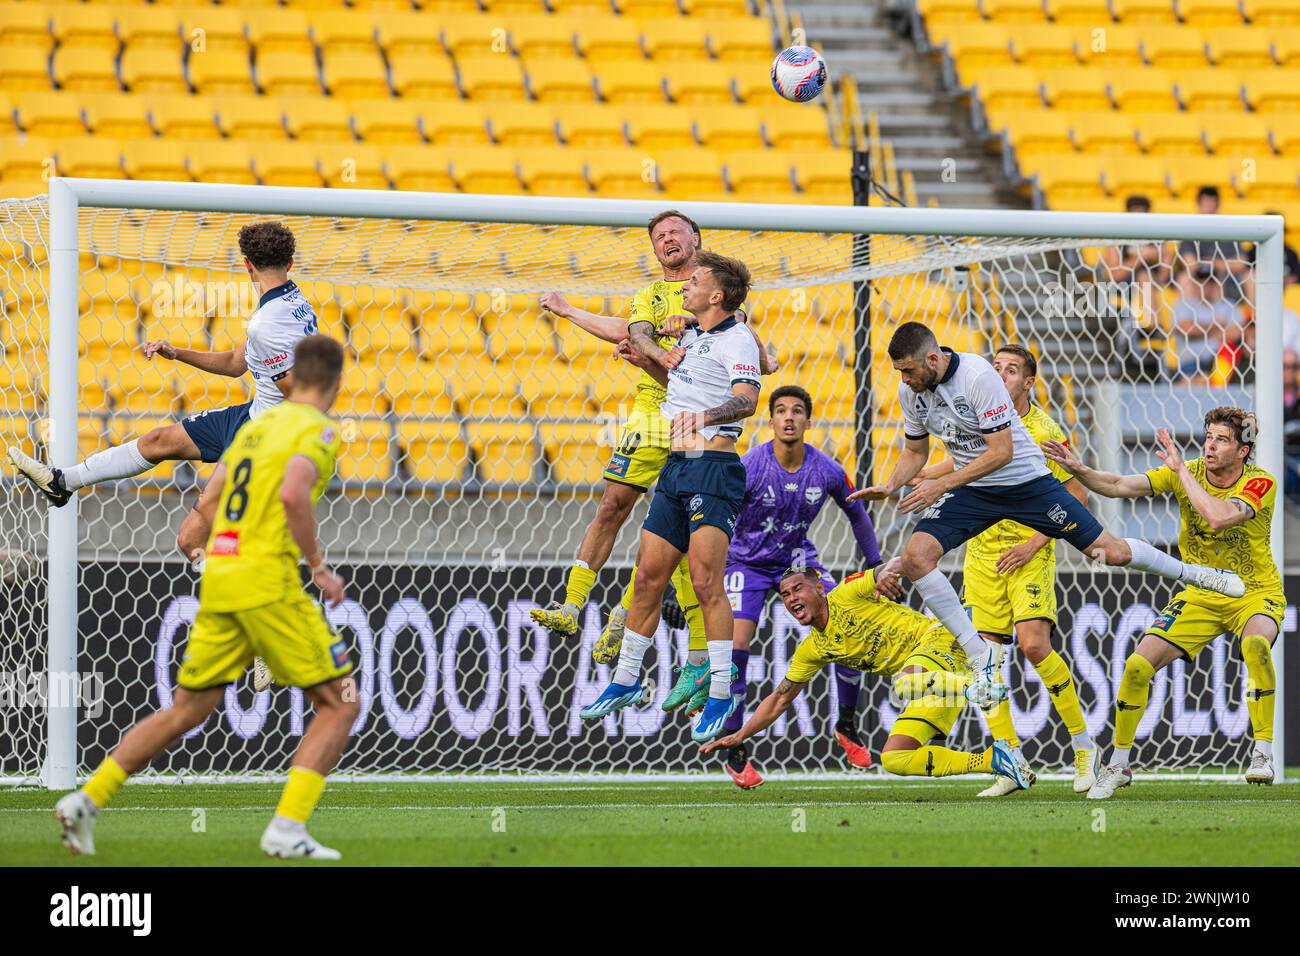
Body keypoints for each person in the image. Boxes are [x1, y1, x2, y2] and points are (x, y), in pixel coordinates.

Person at [53, 335, 358, 858]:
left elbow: (209, 501)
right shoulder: (317, 428)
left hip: (221, 577)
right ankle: (287, 828)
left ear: (293, 374)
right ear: (332, 383)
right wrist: (319, 568)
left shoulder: (254, 433)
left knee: (186, 710)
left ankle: (87, 799)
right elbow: (292, 492)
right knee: (340, 703)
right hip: (269, 581)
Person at [847, 321, 1246, 709]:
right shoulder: (911, 393)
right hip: (976, 491)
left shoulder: (976, 376)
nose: (904, 379)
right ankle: (980, 655)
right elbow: (915, 452)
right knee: (917, 557)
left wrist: (944, 483)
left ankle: (1196, 575)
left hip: (1026, 486)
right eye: (899, 372)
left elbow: (1001, 453)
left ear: (932, 358)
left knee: (1111, 552)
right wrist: (891, 485)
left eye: (909, 371)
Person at [530, 210, 775, 715]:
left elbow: (757, 364)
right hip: (656, 409)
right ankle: (577, 605)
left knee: (694, 558)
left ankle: (696, 664)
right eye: (658, 236)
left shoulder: (720, 310)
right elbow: (633, 332)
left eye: (674, 233)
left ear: (697, 242)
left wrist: (695, 338)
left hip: (701, 438)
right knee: (617, 506)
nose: (666, 240)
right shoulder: (656, 300)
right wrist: (649, 350)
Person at [9, 221, 318, 565]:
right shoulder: (293, 301)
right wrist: (179, 353)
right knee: (159, 440)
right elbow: (235, 363)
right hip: (251, 415)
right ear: (290, 262)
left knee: (191, 540)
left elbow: (299, 397)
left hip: (265, 437)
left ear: (246, 263)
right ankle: (63, 482)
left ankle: (238, 603)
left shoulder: (268, 323)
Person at [1043, 408, 1282, 795]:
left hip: (1254, 591)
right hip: (1201, 594)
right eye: (1209, 437)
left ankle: (1263, 752)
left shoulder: (1260, 484)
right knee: (1137, 667)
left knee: (1255, 645)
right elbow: (1119, 484)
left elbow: (1220, 517)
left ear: (1243, 450)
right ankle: (1118, 764)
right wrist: (1079, 469)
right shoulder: (1184, 469)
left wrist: (1181, 472)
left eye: (1222, 440)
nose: (1210, 446)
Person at [579, 252, 761, 743]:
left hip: (713, 469)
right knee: (646, 579)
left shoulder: (738, 339)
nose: (686, 286)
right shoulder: (692, 338)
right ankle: (624, 681)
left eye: (695, 281)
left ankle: (722, 690)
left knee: (705, 583)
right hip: (677, 468)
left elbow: (747, 399)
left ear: (716, 296)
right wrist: (648, 364)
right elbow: (684, 391)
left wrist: (703, 419)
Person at [915, 345, 1098, 796]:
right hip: (982, 558)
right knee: (987, 663)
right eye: (996, 367)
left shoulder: (1043, 429)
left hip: (1027, 554)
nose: (1000, 374)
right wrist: (918, 478)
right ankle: (1009, 762)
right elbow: (958, 460)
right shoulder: (973, 414)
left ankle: (1083, 748)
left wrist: (1035, 540)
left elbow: (1078, 493)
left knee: (1035, 646)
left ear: (1029, 383)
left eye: (1011, 370)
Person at [699, 564, 1034, 790]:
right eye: (785, 596)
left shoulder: (846, 593)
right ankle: (996, 761)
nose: (791, 600)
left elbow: (900, 562)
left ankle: (981, 684)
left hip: (940, 642)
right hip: (932, 682)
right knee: (896, 758)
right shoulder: (813, 649)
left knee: (904, 683)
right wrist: (741, 734)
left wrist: (892, 571)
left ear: (818, 587)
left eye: (797, 589)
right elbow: (781, 698)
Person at [718, 384, 882, 788]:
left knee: (846, 624)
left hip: (797, 561)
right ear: (770, 420)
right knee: (737, 645)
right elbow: (717, 518)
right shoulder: (750, 466)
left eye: (796, 411)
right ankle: (735, 747)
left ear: (808, 421)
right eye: (780, 411)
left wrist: (876, 567)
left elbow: (857, 514)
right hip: (746, 561)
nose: (788, 417)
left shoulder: (825, 468)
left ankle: (846, 724)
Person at [1178, 186, 1252, 304]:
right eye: (1206, 202)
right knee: (1184, 278)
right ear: (1198, 204)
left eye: (1212, 203)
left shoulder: (1228, 231)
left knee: (1251, 276)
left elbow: (1242, 262)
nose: (1209, 207)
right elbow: (1190, 264)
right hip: (1200, 280)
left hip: (1229, 280)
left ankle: (1254, 318)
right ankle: (1187, 319)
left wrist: (1215, 264)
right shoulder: (1190, 231)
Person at [1172, 263, 1244, 379]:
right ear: (1194, 283)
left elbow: (1235, 334)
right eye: (1202, 281)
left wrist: (1201, 332)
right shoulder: (1184, 305)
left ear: (1216, 284)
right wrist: (1217, 326)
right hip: (1191, 364)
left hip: (1222, 363)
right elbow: (1188, 329)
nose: (1206, 285)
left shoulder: (1228, 305)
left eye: (1210, 281)